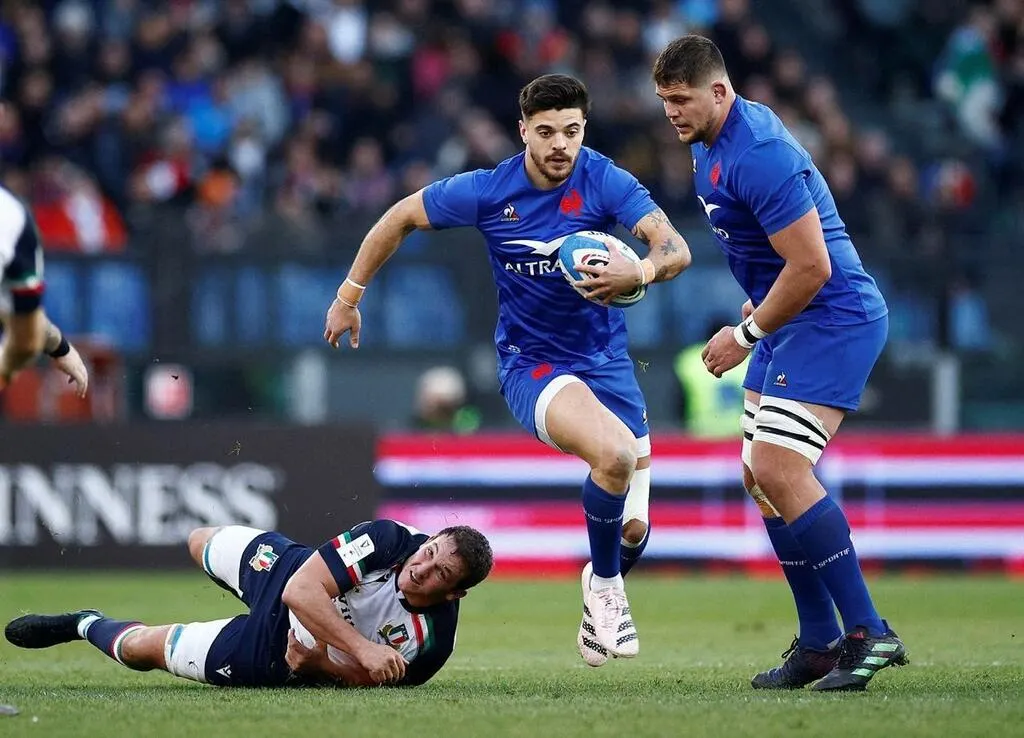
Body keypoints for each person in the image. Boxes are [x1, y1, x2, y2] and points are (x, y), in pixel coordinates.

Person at [323, 74, 692, 667]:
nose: (559, 145)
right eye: (545, 132)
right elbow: (397, 217)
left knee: (634, 532)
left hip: (609, 366)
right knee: (616, 458)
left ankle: (602, 578)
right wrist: (349, 294)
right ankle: (605, 590)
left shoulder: (606, 180)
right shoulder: (489, 191)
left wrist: (640, 274)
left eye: (571, 131)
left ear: (584, 130)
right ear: (523, 131)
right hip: (535, 366)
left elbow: (675, 249)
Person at [652, 35, 907, 692]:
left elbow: (815, 266)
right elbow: (779, 248)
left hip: (832, 317)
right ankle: (821, 641)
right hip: (794, 316)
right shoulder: (710, 141)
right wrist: (762, 300)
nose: (671, 113)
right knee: (760, 476)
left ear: (718, 90)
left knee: (778, 466)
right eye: (663, 101)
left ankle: (868, 632)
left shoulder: (756, 151)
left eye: (680, 100)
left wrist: (747, 331)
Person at [6, 520, 493, 688]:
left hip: (270, 654)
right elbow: (301, 592)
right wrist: (360, 648)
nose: (422, 568)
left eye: (439, 575)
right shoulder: (389, 540)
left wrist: (323, 664)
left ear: (454, 594)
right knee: (199, 541)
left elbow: (376, 679)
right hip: (290, 571)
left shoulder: (433, 644)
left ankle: (84, 623)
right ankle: (240, 583)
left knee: (142, 650)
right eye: (429, 553)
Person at [0, 182, 88, 398]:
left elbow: (21, 324)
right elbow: (25, 339)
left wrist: (60, 347)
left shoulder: (11, 219)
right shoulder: (11, 216)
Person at [675, 316, 748, 437]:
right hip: (738, 436)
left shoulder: (690, 360)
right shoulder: (748, 360)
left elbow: (679, 402)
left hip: (701, 435)